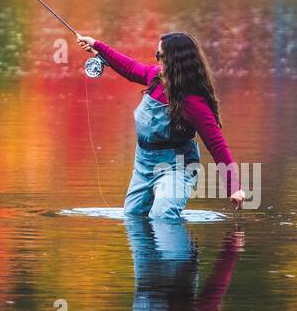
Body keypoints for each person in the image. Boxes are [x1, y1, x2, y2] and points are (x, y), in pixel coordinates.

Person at [75, 31, 245, 219]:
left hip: (176, 167)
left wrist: (234, 187)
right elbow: (130, 68)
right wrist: (97, 45)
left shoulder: (193, 102)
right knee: (133, 216)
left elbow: (216, 144)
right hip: (143, 165)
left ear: (174, 61)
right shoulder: (155, 79)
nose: (157, 61)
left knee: (162, 215)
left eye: (160, 56)